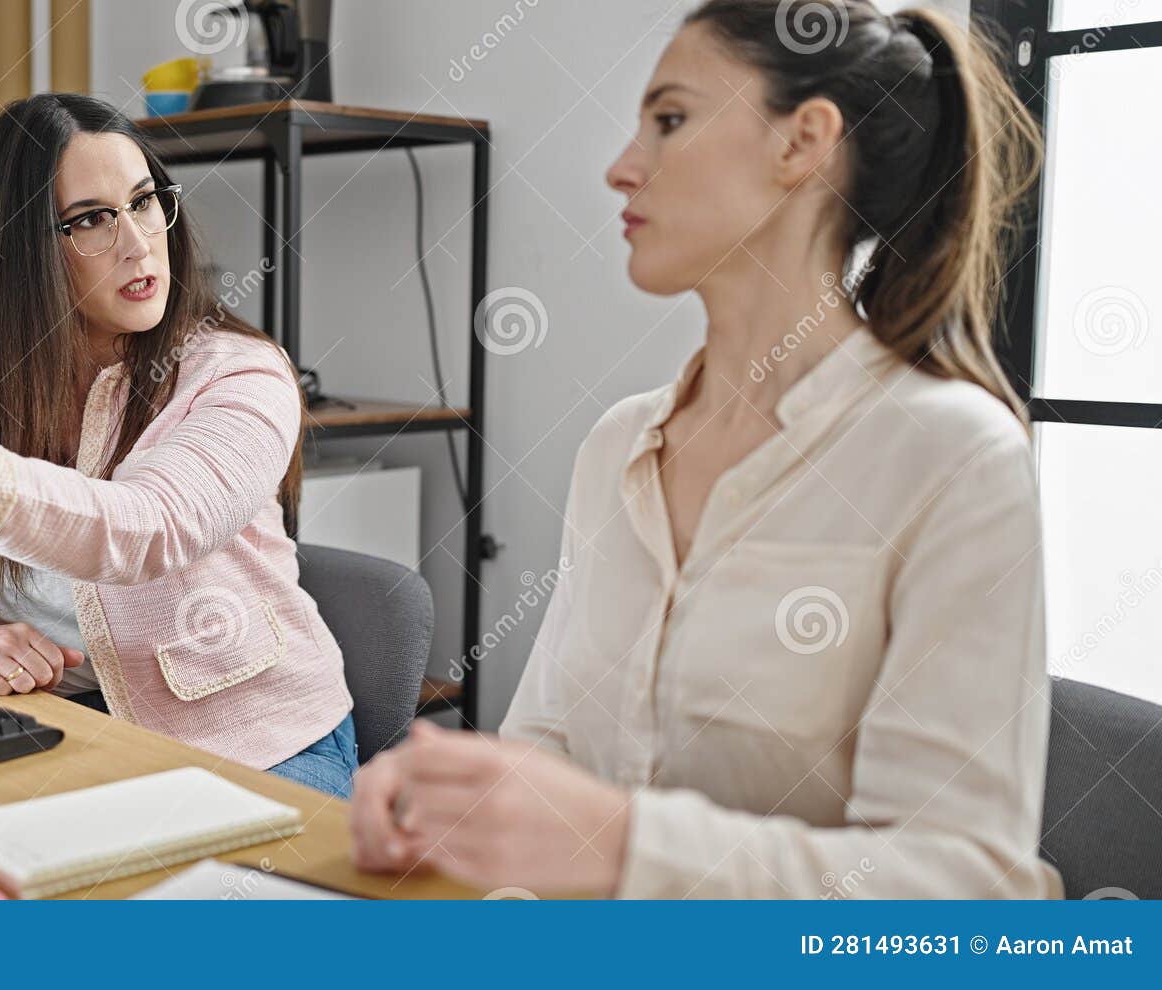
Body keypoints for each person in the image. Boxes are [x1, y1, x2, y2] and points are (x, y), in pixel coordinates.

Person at [350, 0, 1064, 896]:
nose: (620, 168)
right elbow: (548, 746)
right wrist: (455, 811)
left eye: (671, 121)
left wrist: (618, 847)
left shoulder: (955, 459)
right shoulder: (619, 445)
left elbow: (964, 889)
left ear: (802, 142)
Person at [0, 94, 357, 798]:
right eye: (90, 221)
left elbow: (148, 528)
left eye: (144, 202)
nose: (138, 243)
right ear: (22, 249)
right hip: (64, 729)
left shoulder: (240, 373)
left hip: (257, 746)